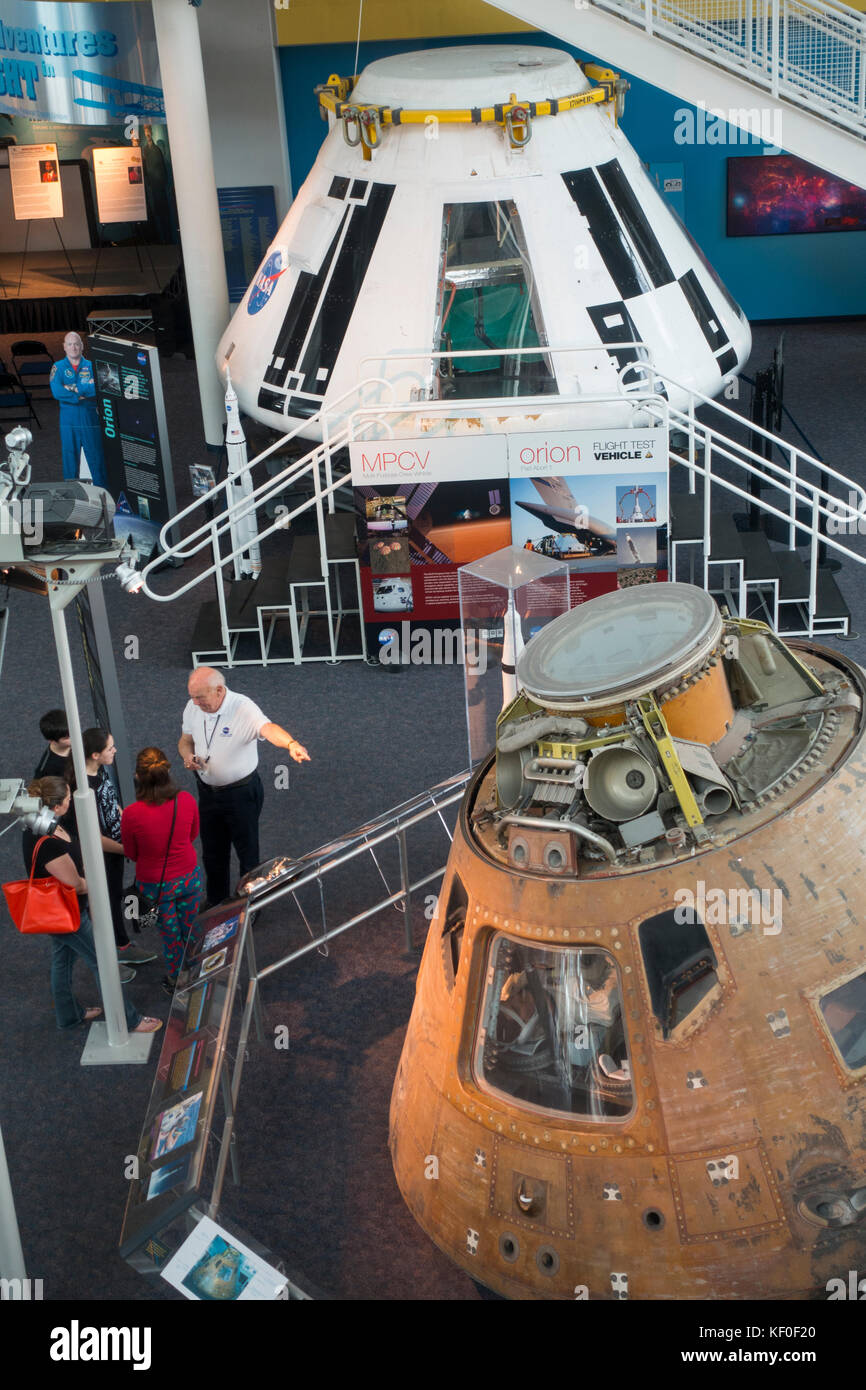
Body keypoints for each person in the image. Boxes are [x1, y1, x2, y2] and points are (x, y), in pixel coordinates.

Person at [21, 778, 161, 1034]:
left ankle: (69, 1016)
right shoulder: (47, 840)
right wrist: (92, 881)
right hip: (67, 914)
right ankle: (130, 1020)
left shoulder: (39, 821)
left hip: (63, 913)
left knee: (62, 961)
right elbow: (75, 885)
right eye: (67, 799)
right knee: (103, 962)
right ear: (57, 805)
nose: (71, 801)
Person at [178, 667, 310, 906]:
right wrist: (187, 756)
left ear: (219, 691)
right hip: (207, 793)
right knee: (212, 853)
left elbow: (268, 729)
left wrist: (291, 743)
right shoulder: (193, 707)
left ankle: (250, 903)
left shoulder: (243, 707)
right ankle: (217, 901)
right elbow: (185, 740)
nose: (195, 703)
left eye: (200, 697)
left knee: (247, 853)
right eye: (192, 697)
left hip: (240, 794)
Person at [65, 729, 157, 971]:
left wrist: (127, 823)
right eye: (110, 748)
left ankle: (118, 944)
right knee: (107, 898)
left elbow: (112, 801)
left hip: (116, 847)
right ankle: (119, 947)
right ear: (95, 754)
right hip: (104, 854)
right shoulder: (84, 789)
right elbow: (93, 837)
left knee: (114, 895)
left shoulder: (100, 769)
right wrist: (126, 848)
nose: (115, 750)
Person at [122, 748, 202, 995]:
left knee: (170, 933)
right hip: (188, 876)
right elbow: (193, 834)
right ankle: (200, 968)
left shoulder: (132, 814)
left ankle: (178, 979)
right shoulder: (186, 800)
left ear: (138, 776)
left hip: (155, 885)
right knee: (191, 925)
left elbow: (132, 854)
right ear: (167, 771)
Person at [49, 331, 107, 488]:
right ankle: (72, 497)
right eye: (69, 344)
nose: (73, 347)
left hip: (90, 419)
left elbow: (98, 388)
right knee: (70, 459)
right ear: (64, 347)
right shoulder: (58, 367)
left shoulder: (91, 366)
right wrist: (81, 394)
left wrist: (73, 388)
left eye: (76, 344)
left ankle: (104, 497)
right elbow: (56, 391)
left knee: (97, 458)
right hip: (68, 421)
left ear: (81, 346)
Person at [34, 708, 71, 778]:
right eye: (67, 738)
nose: (75, 738)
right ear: (51, 740)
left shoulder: (76, 742)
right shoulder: (47, 768)